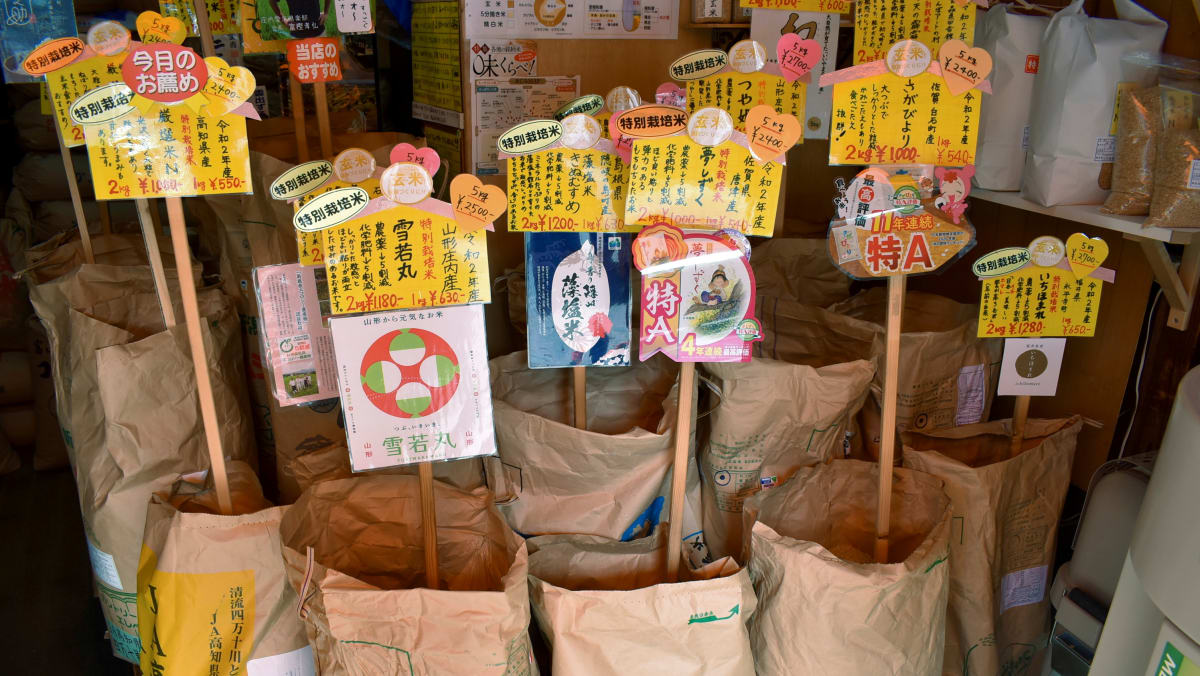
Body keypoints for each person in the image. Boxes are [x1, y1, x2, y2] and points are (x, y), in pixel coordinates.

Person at [264, 0, 332, 39]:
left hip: (317, 30)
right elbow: (272, 1)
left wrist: (326, 12)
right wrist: (283, 19)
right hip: (297, 34)